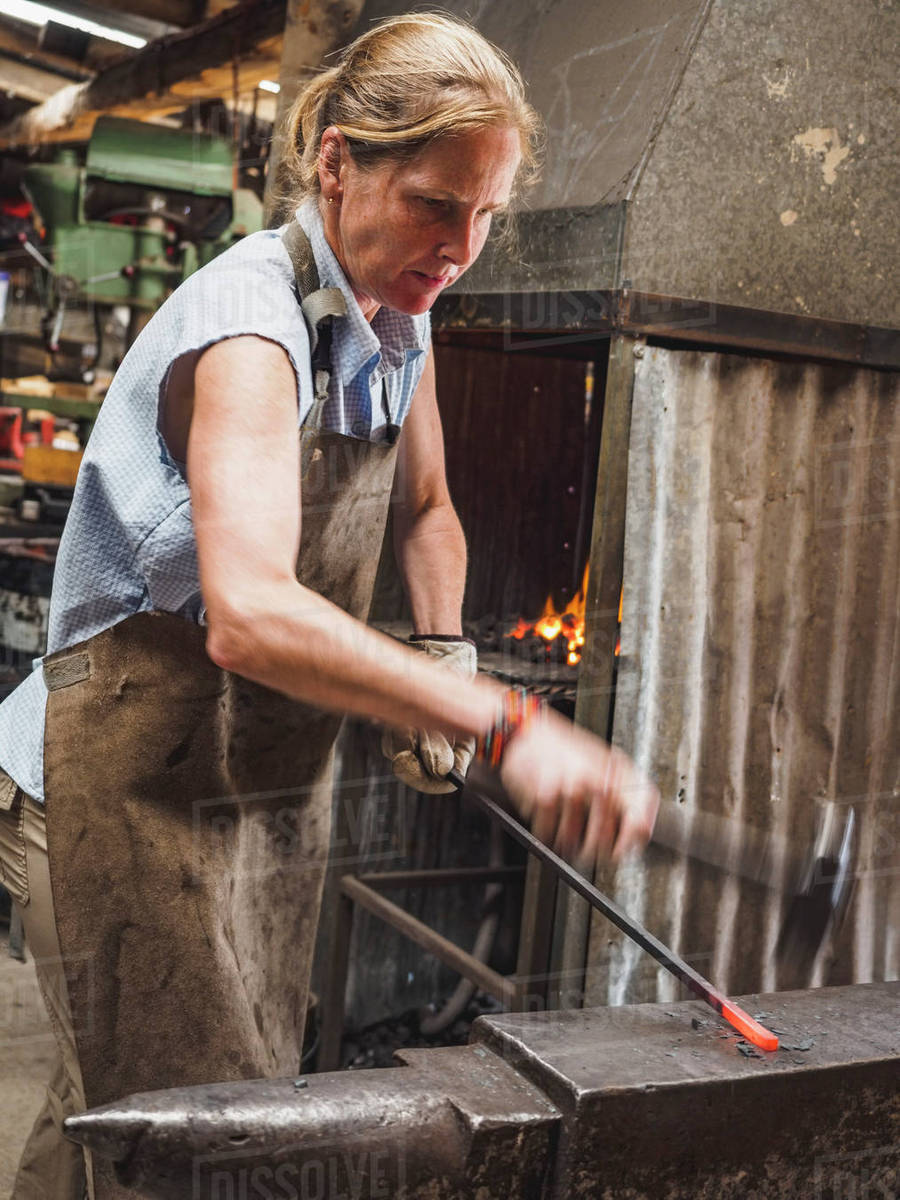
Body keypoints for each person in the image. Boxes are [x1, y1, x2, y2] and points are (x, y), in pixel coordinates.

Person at [0, 13, 659, 1198]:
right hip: (111, 773)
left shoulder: (401, 321)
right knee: (191, 1137)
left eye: (488, 213)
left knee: (122, 1116)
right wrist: (506, 723)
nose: (462, 247)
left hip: (245, 789)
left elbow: (428, 509)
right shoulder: (252, 327)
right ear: (338, 161)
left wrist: (449, 661)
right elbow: (247, 612)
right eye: (436, 205)